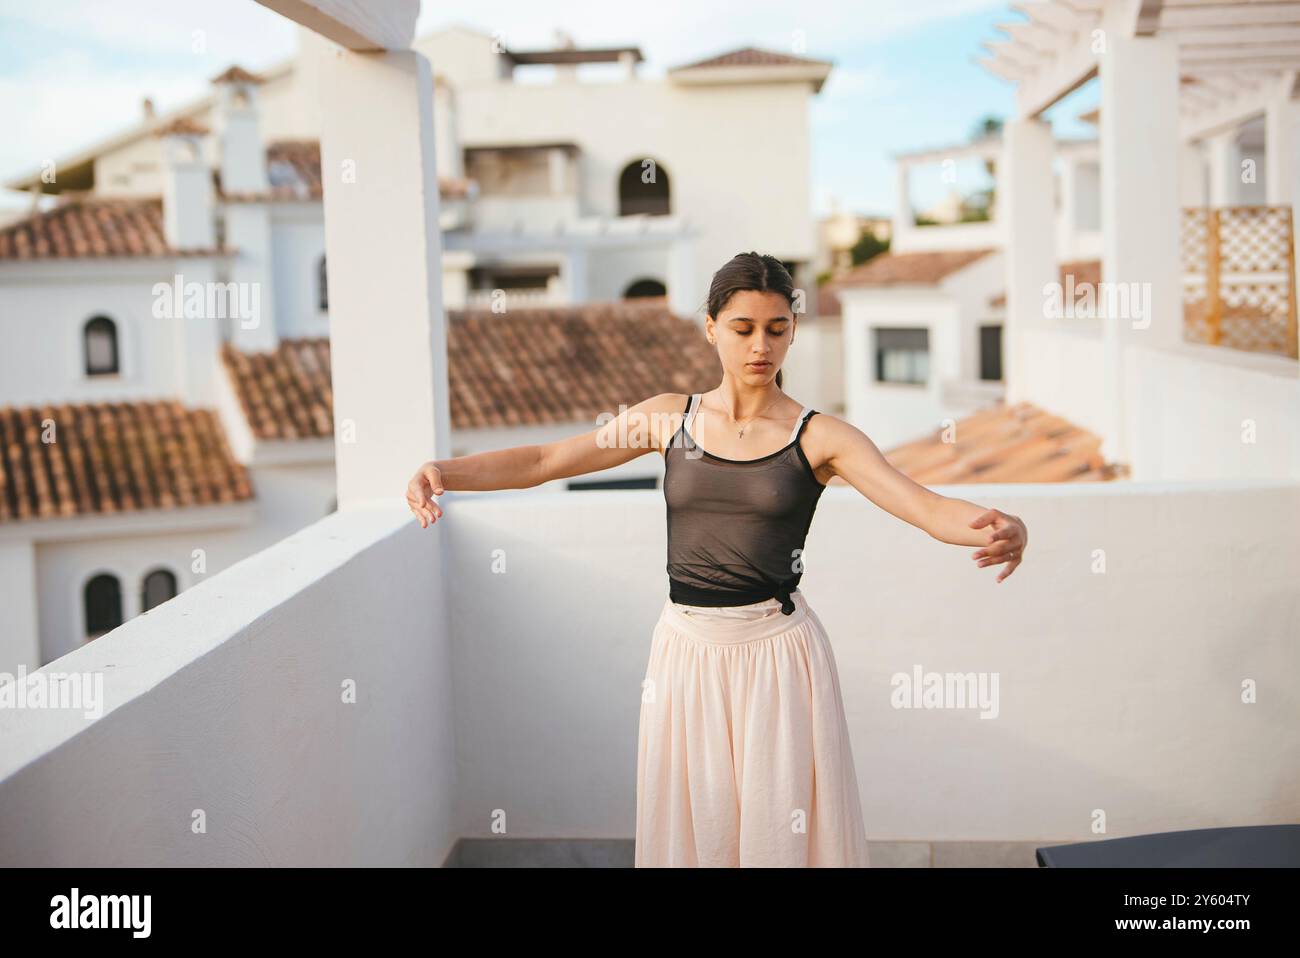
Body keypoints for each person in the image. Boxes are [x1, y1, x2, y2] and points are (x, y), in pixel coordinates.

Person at [405, 251, 1029, 868]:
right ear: (711, 328)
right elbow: (546, 461)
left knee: (777, 837)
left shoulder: (821, 437)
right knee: (693, 832)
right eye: (743, 328)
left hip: (779, 656)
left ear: (792, 333)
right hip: (685, 653)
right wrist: (444, 472)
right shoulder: (667, 419)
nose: (761, 346)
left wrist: (997, 526)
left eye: (777, 330)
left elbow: (923, 507)